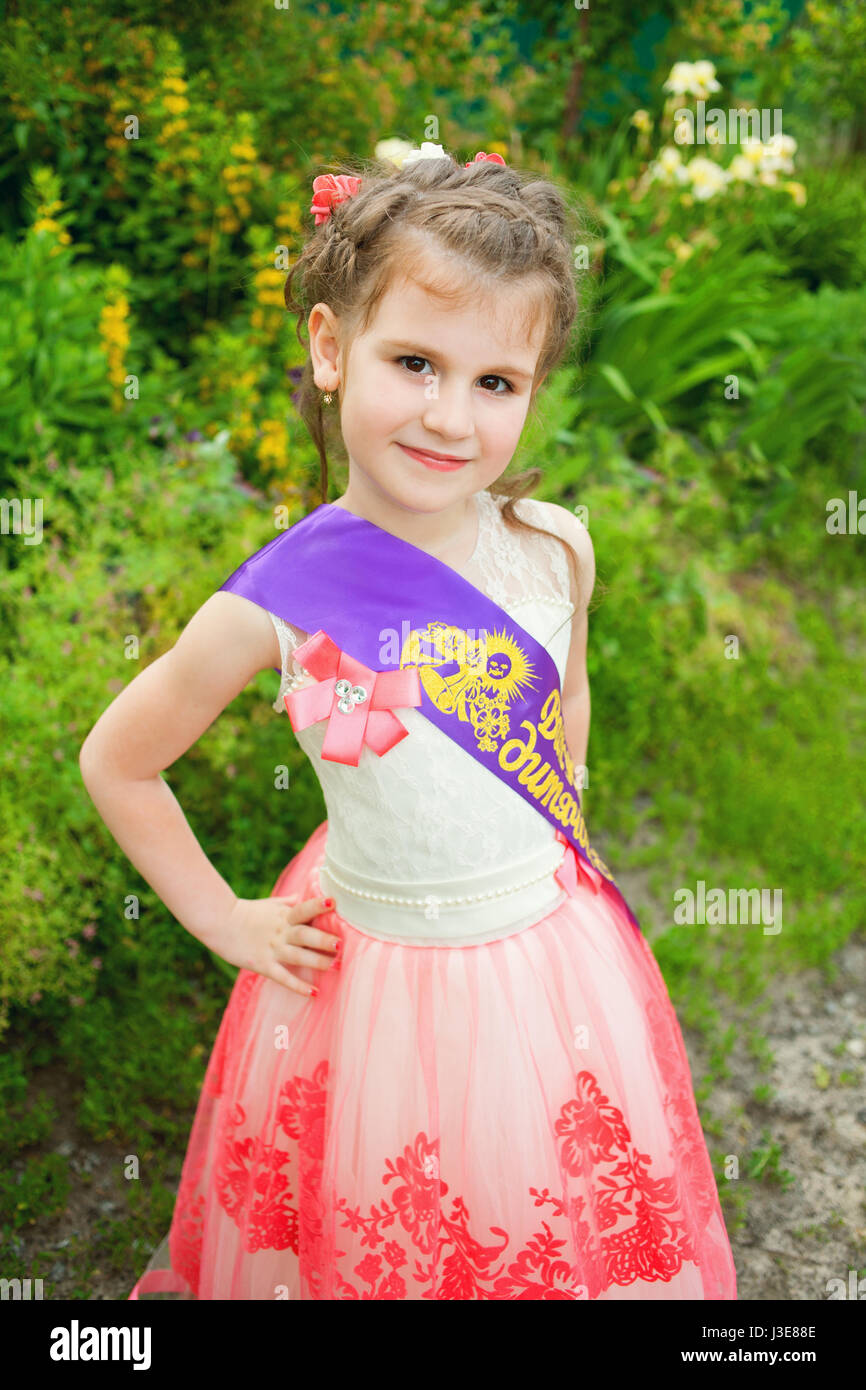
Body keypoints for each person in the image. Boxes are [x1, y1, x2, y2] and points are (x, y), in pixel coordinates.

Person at [80, 144, 738, 1300]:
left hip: (543, 955)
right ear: (333, 350)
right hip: (365, 980)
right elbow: (119, 762)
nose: (448, 415)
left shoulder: (553, 550)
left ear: (533, 386)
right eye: (416, 362)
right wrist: (225, 919)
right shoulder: (275, 602)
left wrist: (557, 796)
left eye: (496, 381)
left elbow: (563, 698)